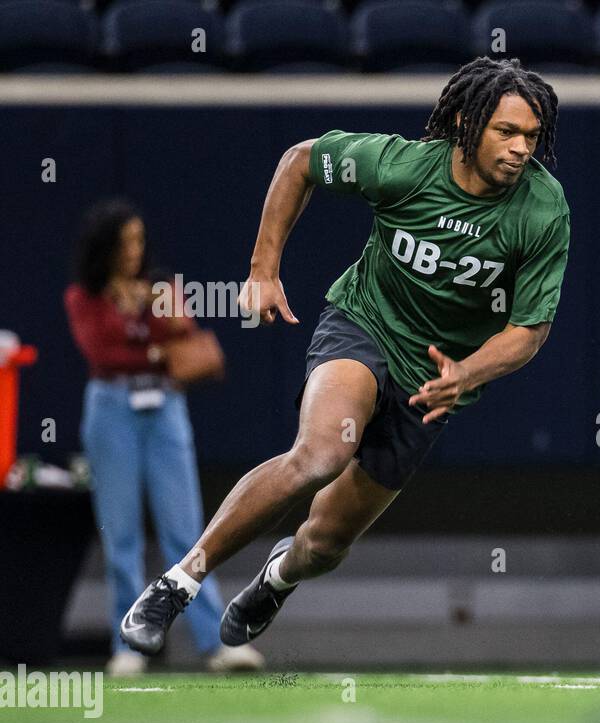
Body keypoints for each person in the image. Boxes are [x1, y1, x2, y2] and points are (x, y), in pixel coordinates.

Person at [117, 57, 570, 655]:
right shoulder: (404, 166)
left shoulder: (542, 208)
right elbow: (300, 161)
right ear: (466, 121)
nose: (520, 149)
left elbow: (528, 329)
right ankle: (177, 583)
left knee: (326, 544)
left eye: (531, 137)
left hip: (433, 382)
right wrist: (262, 269)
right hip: (364, 327)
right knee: (320, 455)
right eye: (505, 132)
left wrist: (468, 371)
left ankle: (274, 580)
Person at [65, 199, 263, 674]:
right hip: (111, 410)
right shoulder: (83, 295)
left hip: (166, 409)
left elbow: (187, 336)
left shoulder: (162, 286)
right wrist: (156, 346)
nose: (134, 250)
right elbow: (103, 350)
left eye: (138, 240)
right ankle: (128, 644)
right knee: (122, 534)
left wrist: (153, 342)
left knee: (187, 531)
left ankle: (216, 643)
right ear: (105, 247)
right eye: (123, 242)